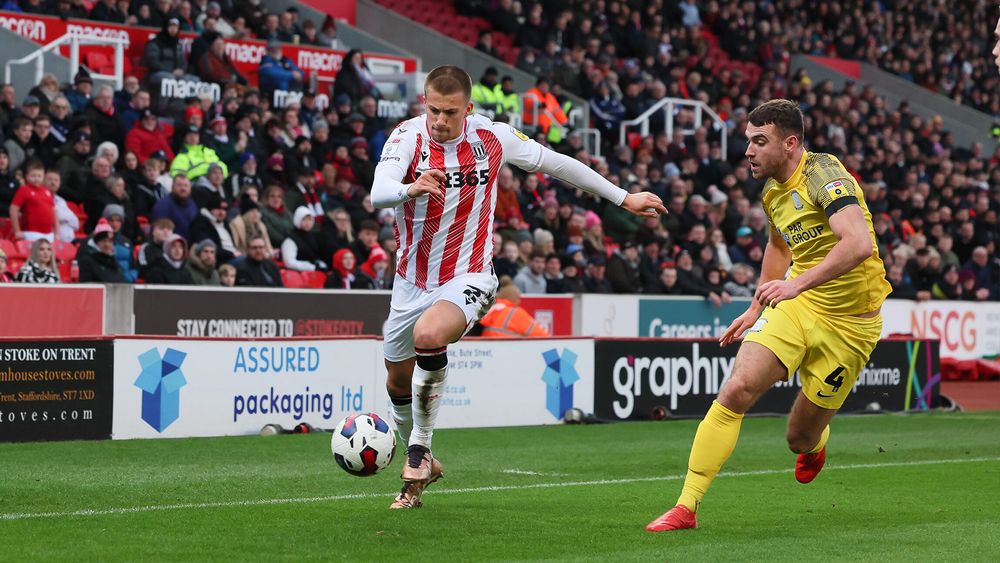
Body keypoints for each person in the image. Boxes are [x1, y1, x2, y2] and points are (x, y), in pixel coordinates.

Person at [370, 65, 664, 509]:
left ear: (468, 108)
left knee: (428, 336)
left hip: (470, 274)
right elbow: (379, 191)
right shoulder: (407, 137)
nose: (441, 120)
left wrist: (623, 197)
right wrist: (410, 189)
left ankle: (420, 448)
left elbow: (557, 163)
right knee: (397, 380)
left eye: (451, 112)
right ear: (424, 104)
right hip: (411, 281)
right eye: (434, 110)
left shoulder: (493, 136)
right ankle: (422, 464)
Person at [646, 99, 891, 532]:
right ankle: (686, 506)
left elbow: (858, 244)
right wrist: (756, 306)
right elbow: (779, 247)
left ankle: (815, 443)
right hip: (800, 305)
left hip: (852, 324)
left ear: (790, 143)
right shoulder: (772, 192)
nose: (748, 151)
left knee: (799, 438)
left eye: (760, 141)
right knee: (737, 388)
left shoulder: (824, 175)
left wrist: (795, 284)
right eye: (748, 141)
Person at [479, 276, 550, 337]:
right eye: (518, 298)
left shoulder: (491, 310)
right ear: (514, 298)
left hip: (488, 347)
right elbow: (541, 334)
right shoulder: (514, 312)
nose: (520, 301)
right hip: (508, 347)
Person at [9, 160, 55, 242]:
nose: (36, 179)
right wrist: (17, 230)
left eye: (39, 176)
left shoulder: (47, 191)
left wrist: (57, 232)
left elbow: (54, 211)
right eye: (33, 176)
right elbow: (13, 209)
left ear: (43, 177)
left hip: (48, 234)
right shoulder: (24, 190)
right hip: (30, 233)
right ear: (27, 177)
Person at [77, 218, 128, 283]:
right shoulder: (87, 262)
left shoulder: (113, 261)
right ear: (96, 243)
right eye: (103, 241)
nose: (107, 245)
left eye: (110, 241)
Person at [281, 207, 326, 272]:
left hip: (316, 271)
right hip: (299, 274)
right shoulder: (290, 240)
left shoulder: (313, 236)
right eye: (304, 219)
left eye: (310, 219)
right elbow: (289, 262)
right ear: (297, 220)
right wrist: (312, 267)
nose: (308, 223)